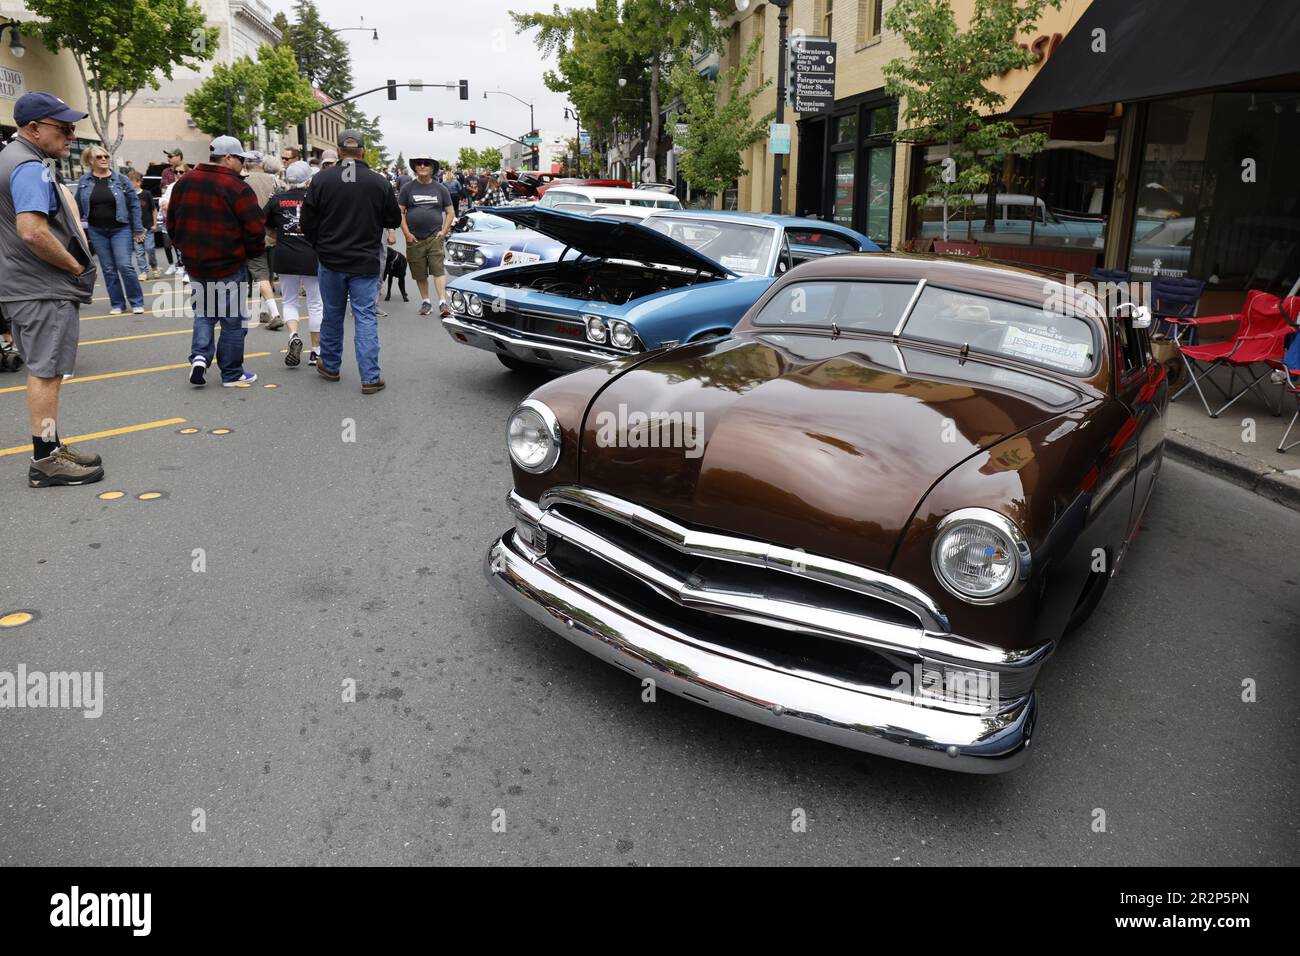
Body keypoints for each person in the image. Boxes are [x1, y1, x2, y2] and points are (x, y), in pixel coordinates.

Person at [0, 92, 102, 487]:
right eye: (62, 128)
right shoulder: (28, 165)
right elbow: (32, 232)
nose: (72, 135)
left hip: (26, 285)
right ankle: (45, 460)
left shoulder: (13, 158)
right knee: (46, 372)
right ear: (33, 129)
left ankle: (51, 447)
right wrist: (75, 266)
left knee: (45, 369)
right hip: (40, 287)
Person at [301, 128, 401, 394]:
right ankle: (370, 376)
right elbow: (393, 220)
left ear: (339, 152)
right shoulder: (379, 182)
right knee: (365, 317)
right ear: (363, 151)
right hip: (365, 261)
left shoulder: (322, 180)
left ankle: (330, 365)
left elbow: (306, 223)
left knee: (332, 314)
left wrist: (320, 246)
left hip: (331, 259)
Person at [167, 135, 265, 388]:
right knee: (232, 320)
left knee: (205, 313)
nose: (242, 165)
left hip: (196, 262)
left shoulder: (184, 182)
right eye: (240, 159)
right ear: (228, 157)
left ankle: (200, 356)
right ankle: (231, 373)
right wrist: (252, 253)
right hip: (229, 263)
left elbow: (172, 224)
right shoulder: (237, 187)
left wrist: (184, 249)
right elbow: (254, 229)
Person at [263, 161, 322, 368]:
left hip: (285, 254)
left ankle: (294, 335)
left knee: (289, 301)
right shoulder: (316, 199)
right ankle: (316, 351)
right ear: (309, 179)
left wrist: (280, 235)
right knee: (315, 302)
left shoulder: (276, 199)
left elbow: (266, 226)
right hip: (312, 255)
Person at [74, 145, 145, 315]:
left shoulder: (121, 179)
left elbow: (134, 205)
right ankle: (117, 304)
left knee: (125, 265)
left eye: (106, 156)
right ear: (90, 160)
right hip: (97, 230)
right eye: (99, 157)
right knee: (108, 269)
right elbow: (77, 206)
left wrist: (138, 230)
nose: (104, 159)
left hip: (121, 229)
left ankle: (136, 301)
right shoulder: (84, 181)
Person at [397, 157, 454, 317]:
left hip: (434, 238)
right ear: (415, 168)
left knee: (438, 270)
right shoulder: (407, 189)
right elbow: (400, 212)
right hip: (414, 239)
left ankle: (443, 302)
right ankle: (426, 302)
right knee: (419, 272)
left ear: (432, 168)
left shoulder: (440, 189)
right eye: (419, 163)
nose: (422, 166)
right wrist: (407, 234)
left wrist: (443, 231)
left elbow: (450, 212)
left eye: (426, 163)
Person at [240, 151, 283, 329]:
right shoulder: (274, 181)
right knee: (269, 275)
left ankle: (274, 313)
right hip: (274, 234)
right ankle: (265, 311)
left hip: (253, 234)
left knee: (259, 275)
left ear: (246, 164)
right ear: (262, 164)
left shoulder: (243, 183)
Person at [128, 170, 160, 280]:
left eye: (131, 181)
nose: (129, 183)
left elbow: (153, 210)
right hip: (136, 230)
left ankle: (154, 267)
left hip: (148, 227)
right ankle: (143, 271)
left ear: (138, 182)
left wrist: (155, 224)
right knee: (139, 252)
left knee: (149, 248)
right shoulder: (128, 196)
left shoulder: (146, 194)